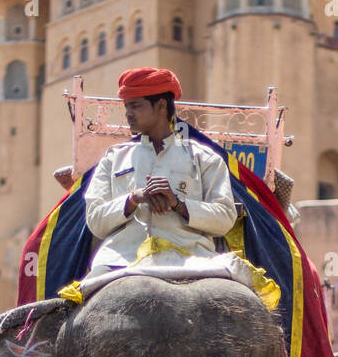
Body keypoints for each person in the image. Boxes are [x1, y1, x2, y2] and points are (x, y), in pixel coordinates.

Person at [82, 67, 239, 284]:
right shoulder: (112, 159)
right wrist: (134, 198)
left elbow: (224, 218)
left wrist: (178, 204)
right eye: (127, 107)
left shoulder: (205, 159)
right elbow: (95, 221)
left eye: (136, 106)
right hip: (120, 260)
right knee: (76, 308)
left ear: (161, 106)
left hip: (193, 260)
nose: (128, 113)